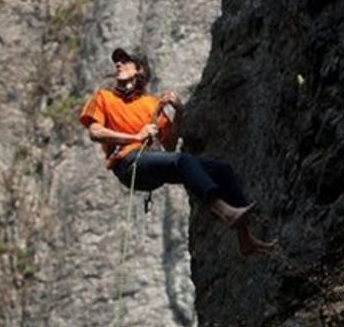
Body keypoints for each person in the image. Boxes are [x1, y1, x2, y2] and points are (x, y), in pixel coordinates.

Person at [79, 47, 277, 255]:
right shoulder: (104, 97)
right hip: (128, 164)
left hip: (151, 163)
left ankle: (245, 239)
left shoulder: (151, 104)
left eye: (125, 61)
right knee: (181, 160)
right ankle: (225, 211)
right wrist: (136, 137)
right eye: (116, 62)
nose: (118, 64)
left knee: (222, 169)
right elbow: (95, 132)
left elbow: (169, 147)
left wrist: (179, 112)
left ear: (139, 70)